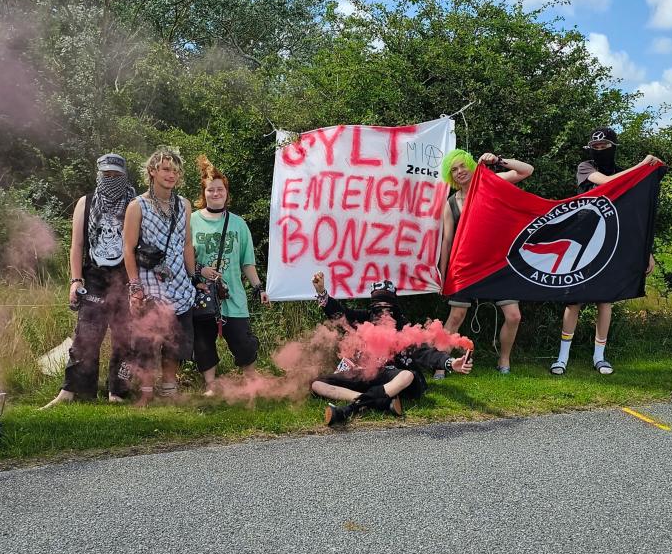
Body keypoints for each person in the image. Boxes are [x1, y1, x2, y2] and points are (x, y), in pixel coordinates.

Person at [551, 127, 659, 376]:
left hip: (609, 243)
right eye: (596, 146)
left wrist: (647, 251)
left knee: (604, 300)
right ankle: (562, 357)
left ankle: (599, 356)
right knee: (573, 301)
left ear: (613, 147)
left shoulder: (623, 175)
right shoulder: (586, 168)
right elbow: (610, 183)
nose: (600, 150)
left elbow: (632, 219)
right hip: (581, 241)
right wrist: (642, 167)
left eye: (605, 146)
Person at [309, 272, 473, 427]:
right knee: (317, 384)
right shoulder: (363, 319)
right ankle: (378, 401)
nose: (383, 312)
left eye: (388, 307)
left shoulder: (401, 328)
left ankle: (352, 408)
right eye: (378, 307)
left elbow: (423, 351)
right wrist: (322, 291)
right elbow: (340, 315)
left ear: (395, 307)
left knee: (407, 376)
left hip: (387, 375)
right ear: (372, 307)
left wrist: (450, 363)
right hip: (361, 373)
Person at [40, 154, 138, 410]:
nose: (111, 179)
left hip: (125, 276)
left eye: (116, 175)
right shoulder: (86, 202)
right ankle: (73, 390)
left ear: (125, 175)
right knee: (86, 335)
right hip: (94, 275)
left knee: (125, 338)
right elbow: (77, 245)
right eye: (107, 175)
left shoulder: (135, 203)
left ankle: (118, 391)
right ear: (99, 173)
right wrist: (75, 280)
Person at [437, 149, 536, 376]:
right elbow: (447, 241)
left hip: (498, 265)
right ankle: (440, 364)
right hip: (465, 267)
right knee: (455, 317)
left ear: (472, 166)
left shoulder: (493, 184)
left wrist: (499, 160)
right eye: (454, 169)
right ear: (450, 176)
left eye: (463, 166)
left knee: (514, 316)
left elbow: (527, 171)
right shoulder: (451, 203)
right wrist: (442, 275)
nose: (460, 171)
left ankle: (504, 361)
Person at [189, 155, 270, 396]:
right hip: (202, 294)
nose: (216, 194)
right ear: (204, 194)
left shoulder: (238, 223)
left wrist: (258, 288)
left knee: (242, 340)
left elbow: (247, 262)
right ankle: (211, 385)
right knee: (203, 342)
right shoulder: (191, 221)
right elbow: (184, 257)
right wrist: (199, 271)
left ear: (226, 192)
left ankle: (251, 381)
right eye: (211, 190)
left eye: (220, 189)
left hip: (232, 294)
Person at [122, 146, 197, 405]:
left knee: (175, 340)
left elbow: (187, 244)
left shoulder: (184, 205)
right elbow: (128, 249)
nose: (171, 175)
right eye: (166, 169)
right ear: (152, 171)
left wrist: (194, 276)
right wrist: (135, 287)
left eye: (175, 171)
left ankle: (169, 389)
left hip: (179, 280)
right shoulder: (137, 206)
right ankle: (145, 393)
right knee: (148, 341)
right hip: (149, 280)